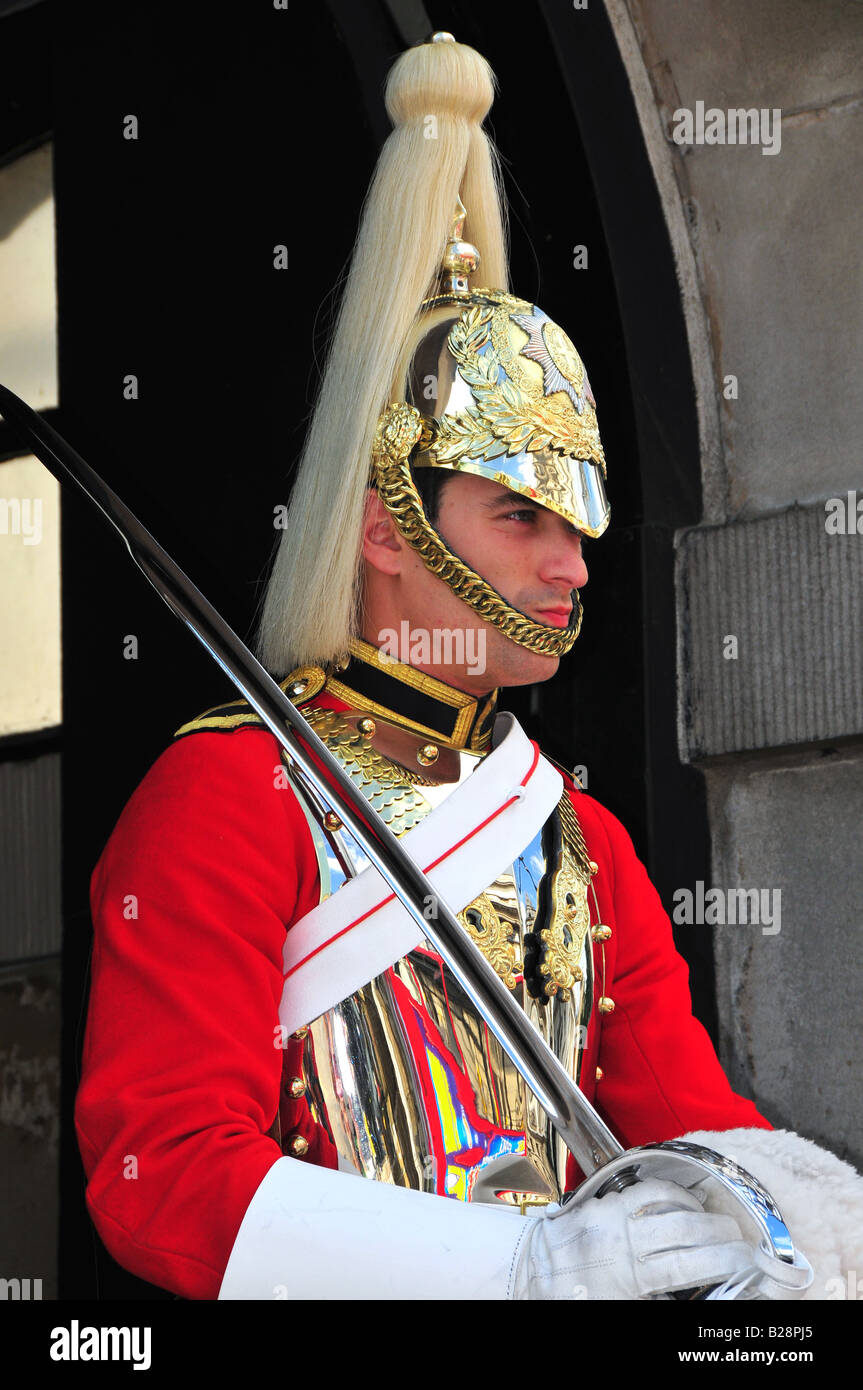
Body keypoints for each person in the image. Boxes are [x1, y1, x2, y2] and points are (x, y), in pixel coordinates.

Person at [75, 34, 857, 1302]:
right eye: (521, 518)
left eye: (577, 527)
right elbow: (160, 1172)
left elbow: (684, 1118)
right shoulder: (230, 794)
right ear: (387, 527)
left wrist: (782, 1219)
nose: (569, 568)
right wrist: (518, 1264)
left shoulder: (580, 838)